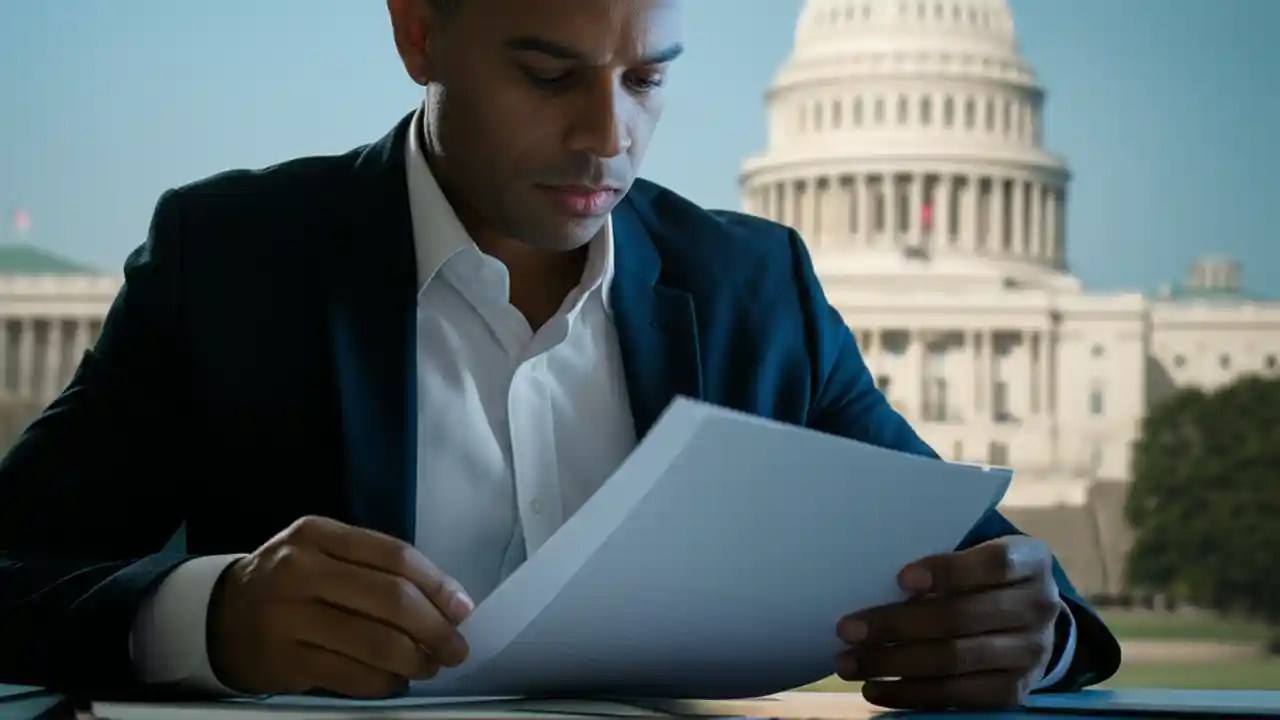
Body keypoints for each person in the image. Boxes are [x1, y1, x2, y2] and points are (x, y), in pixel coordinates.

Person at [0, 0, 1120, 710]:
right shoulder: (234, 262)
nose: (606, 138)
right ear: (418, 32)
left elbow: (1004, 573)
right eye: (548, 76)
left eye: (646, 80)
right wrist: (215, 617)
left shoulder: (753, 289)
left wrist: (1033, 630)